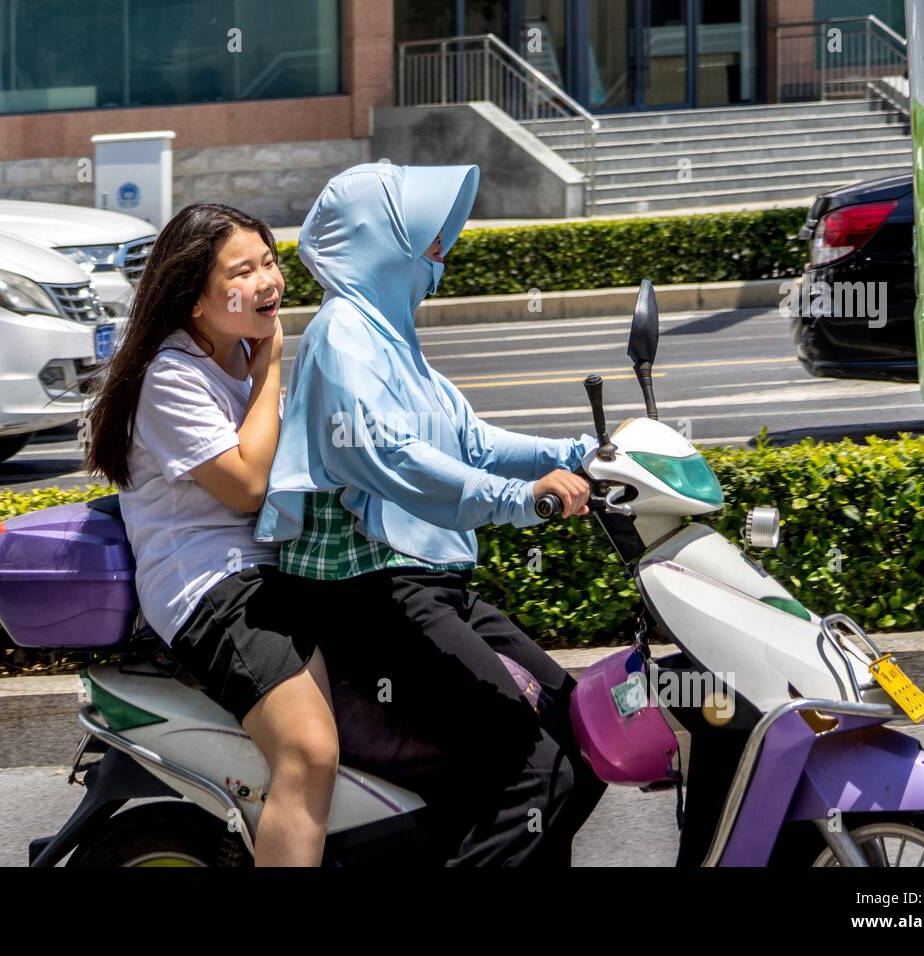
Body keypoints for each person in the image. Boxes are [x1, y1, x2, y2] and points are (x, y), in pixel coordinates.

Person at [256, 162, 607, 866]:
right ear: (376, 237)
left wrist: (583, 451)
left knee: (581, 726)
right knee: (533, 764)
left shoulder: (392, 338)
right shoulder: (342, 337)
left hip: (419, 583)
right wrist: (521, 499)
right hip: (361, 598)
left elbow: (469, 439)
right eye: (427, 238)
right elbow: (397, 460)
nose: (440, 252)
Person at [85, 202, 339, 867]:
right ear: (194, 298)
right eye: (243, 270)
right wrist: (273, 371)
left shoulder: (234, 359)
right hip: (211, 587)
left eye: (270, 261)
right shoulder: (172, 377)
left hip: (270, 570)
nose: (268, 281)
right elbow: (249, 485)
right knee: (308, 751)